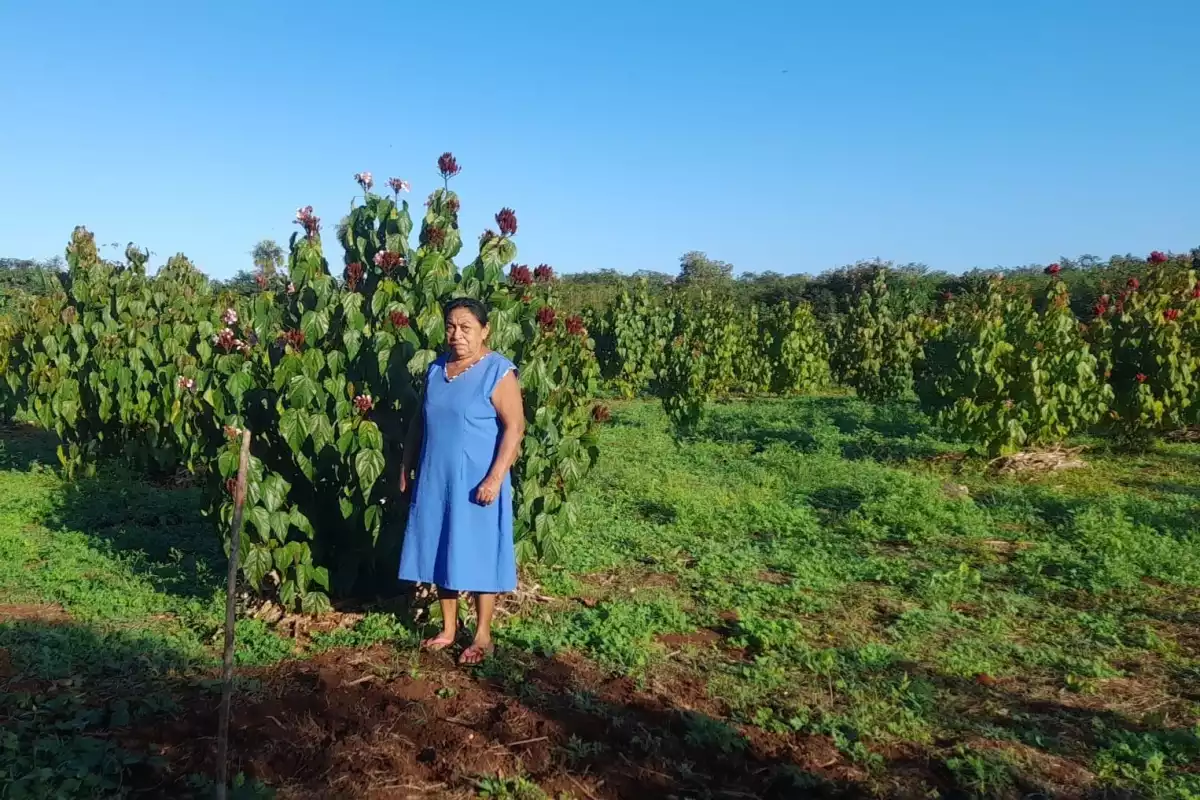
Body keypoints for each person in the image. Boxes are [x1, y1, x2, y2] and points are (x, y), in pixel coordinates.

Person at [397, 297, 525, 665]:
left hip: (478, 482)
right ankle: (449, 628)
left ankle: (483, 635)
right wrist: (406, 464)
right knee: (441, 549)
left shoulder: (498, 371)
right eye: (451, 326)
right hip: (437, 477)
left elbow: (515, 427)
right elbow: (419, 422)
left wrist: (495, 477)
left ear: (485, 330)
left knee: (480, 552)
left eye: (466, 327)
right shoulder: (437, 369)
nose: (457, 335)